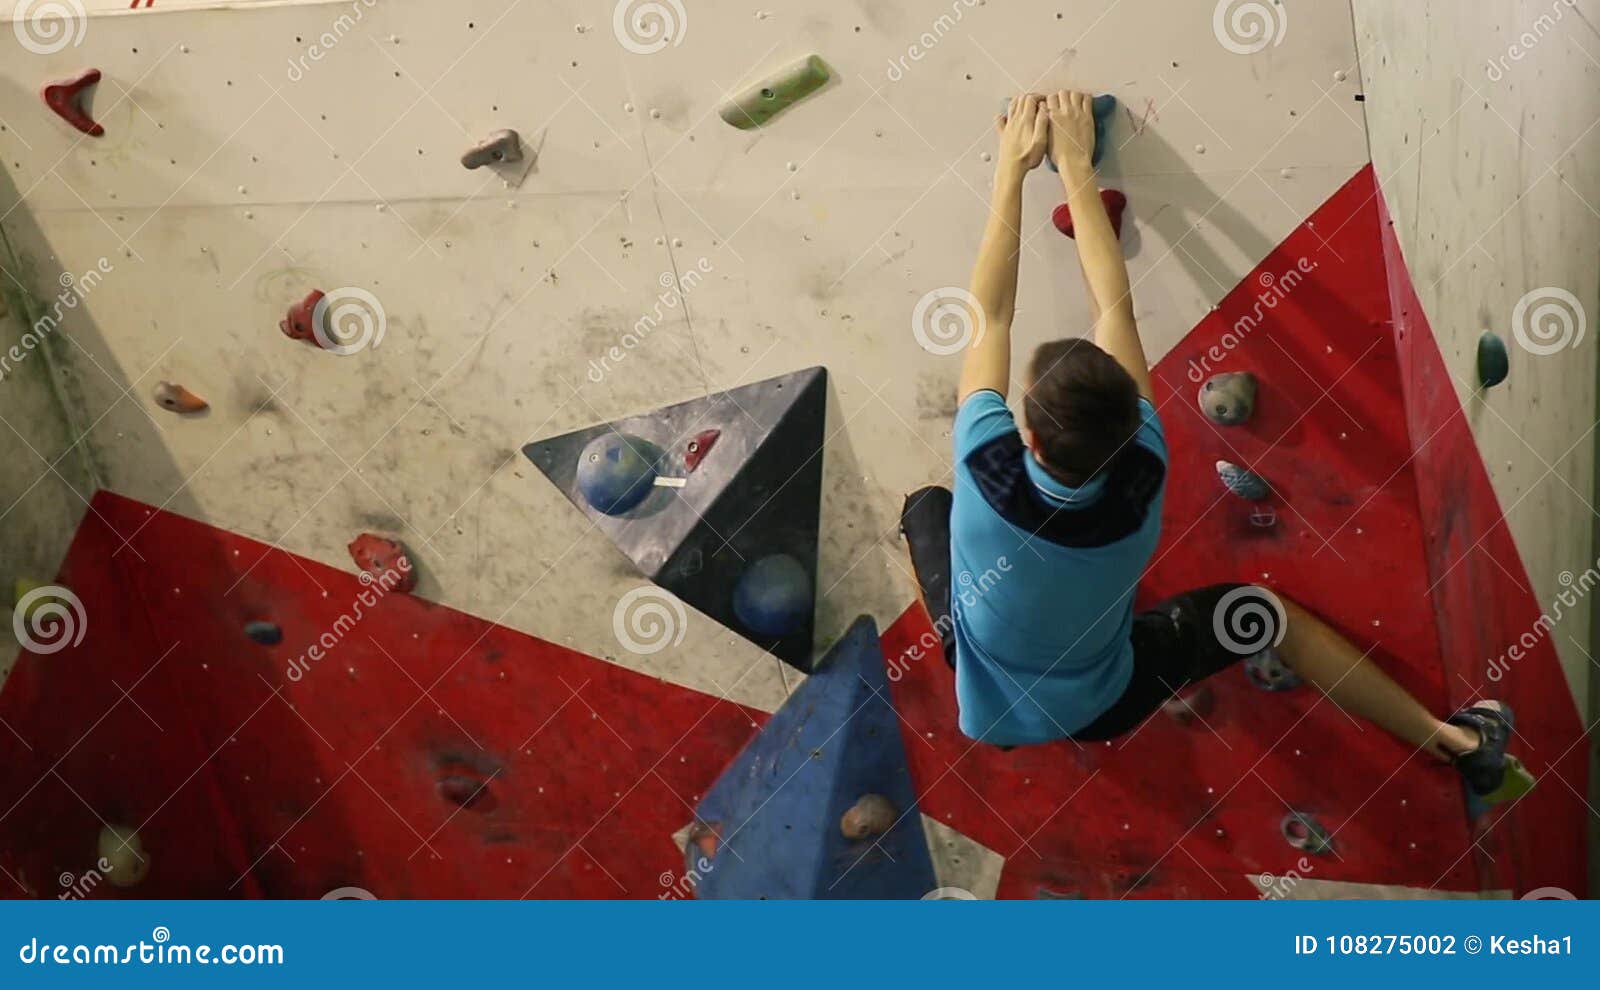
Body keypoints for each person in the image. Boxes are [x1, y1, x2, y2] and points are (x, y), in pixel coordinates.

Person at [900, 91, 1517, 800]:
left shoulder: (984, 466)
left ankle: (985, 650)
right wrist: (1078, 166)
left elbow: (991, 317)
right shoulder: (1142, 474)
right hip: (1107, 702)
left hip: (989, 709)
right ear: (1131, 422)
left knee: (923, 508)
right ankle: (1458, 744)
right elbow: (1115, 310)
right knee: (1263, 614)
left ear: (1026, 436)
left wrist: (1011, 166)